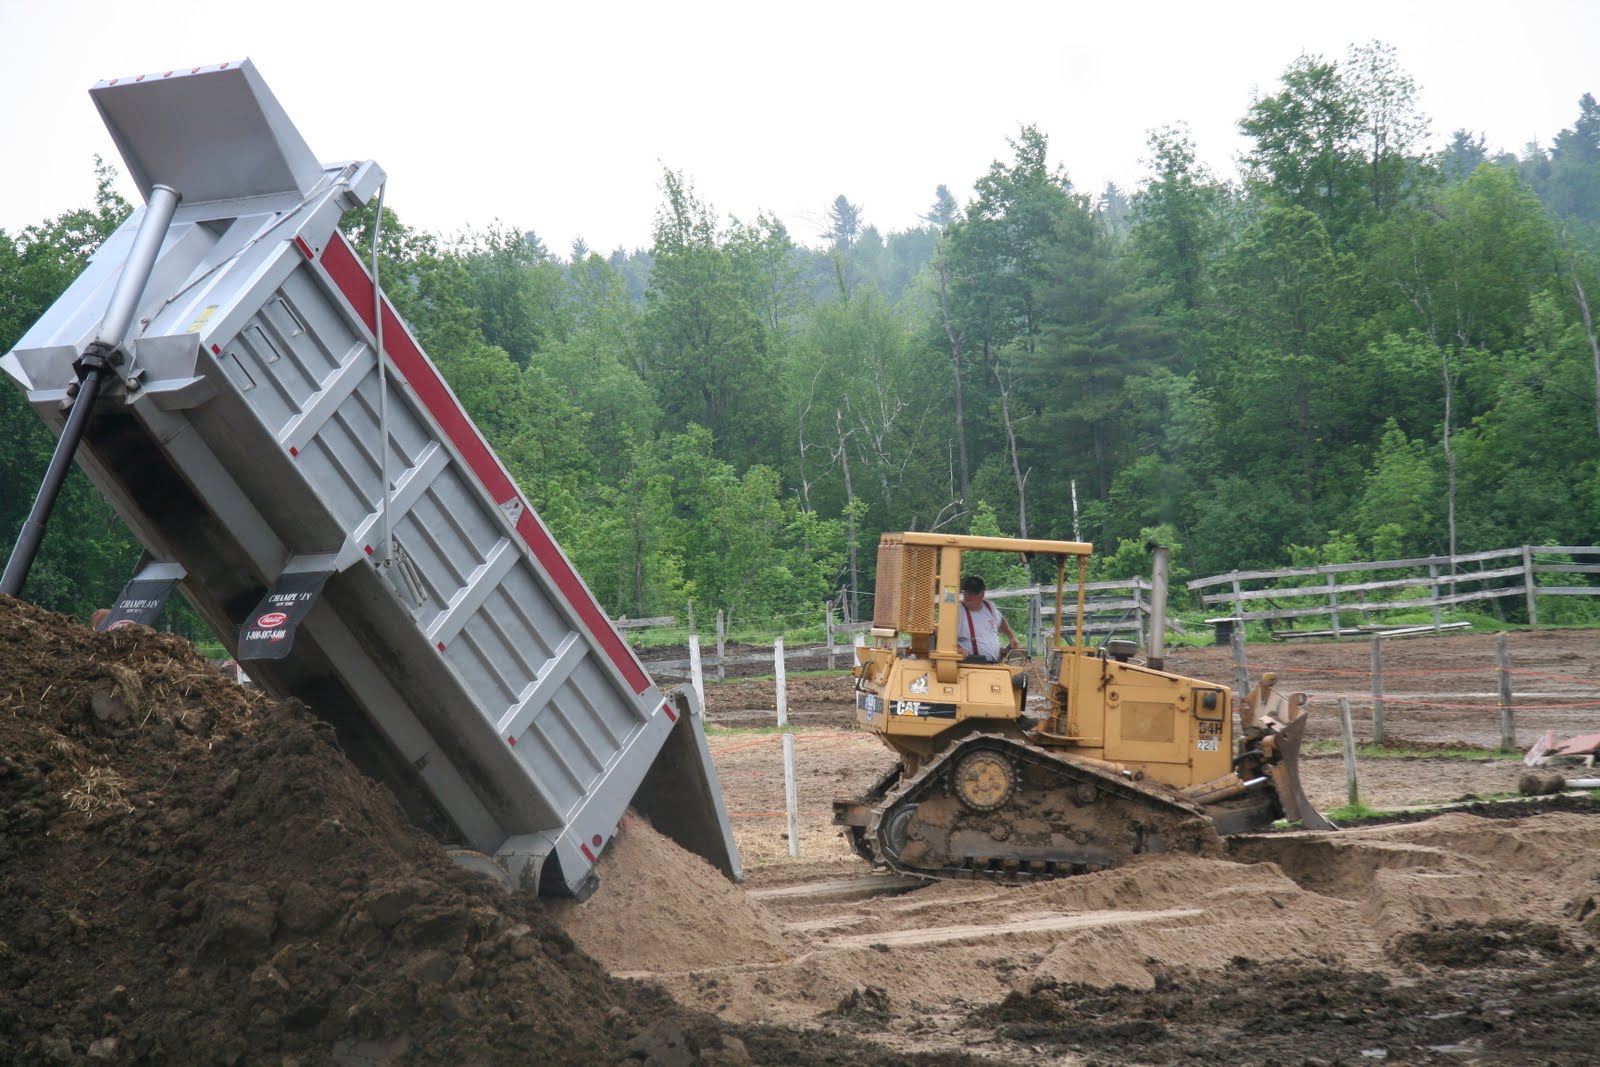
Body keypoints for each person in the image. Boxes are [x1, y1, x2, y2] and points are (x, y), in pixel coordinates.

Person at [955, 575, 1017, 663]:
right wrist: (957, 648)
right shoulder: (957, 611)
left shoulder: (989, 608)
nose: (968, 595)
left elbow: (1001, 621)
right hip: (968, 664)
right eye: (966, 591)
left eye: (973, 593)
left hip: (992, 664)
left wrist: (1011, 637)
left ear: (982, 594)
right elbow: (941, 633)